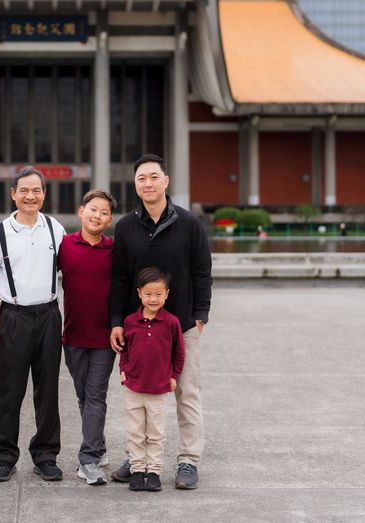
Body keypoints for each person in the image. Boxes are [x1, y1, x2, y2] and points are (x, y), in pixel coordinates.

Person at [109, 154, 212, 490]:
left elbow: (201, 271)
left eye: (154, 177)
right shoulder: (125, 226)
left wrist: (200, 316)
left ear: (166, 181)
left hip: (180, 325)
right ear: (135, 184)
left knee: (186, 394)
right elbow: (121, 278)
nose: (148, 184)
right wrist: (117, 321)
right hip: (138, 329)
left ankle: (188, 462)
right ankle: (137, 461)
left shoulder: (188, 223)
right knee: (138, 396)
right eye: (141, 178)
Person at [0, 166, 67, 482]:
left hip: (48, 315)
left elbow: (67, 273)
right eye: (24, 190)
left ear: (44, 194)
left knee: (48, 390)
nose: (30, 196)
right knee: (9, 390)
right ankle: (5, 456)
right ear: (13, 194)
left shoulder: (55, 229)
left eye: (36, 190)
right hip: (13, 316)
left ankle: (45, 454)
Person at [58, 188, 117, 485]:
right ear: (81, 211)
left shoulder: (114, 250)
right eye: (93, 209)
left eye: (104, 212)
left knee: (96, 396)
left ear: (109, 220)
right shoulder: (64, 246)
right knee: (84, 397)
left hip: (106, 338)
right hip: (73, 336)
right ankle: (100, 445)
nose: (98, 215)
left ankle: (88, 459)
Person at [119, 267, 185, 492]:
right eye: (148, 294)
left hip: (159, 388)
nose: (153, 298)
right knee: (135, 431)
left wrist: (174, 375)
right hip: (133, 387)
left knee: (156, 432)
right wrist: (123, 369)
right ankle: (137, 470)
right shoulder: (130, 321)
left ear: (167, 294)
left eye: (158, 294)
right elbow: (125, 349)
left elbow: (178, 352)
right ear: (139, 293)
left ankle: (154, 471)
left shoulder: (171, 322)